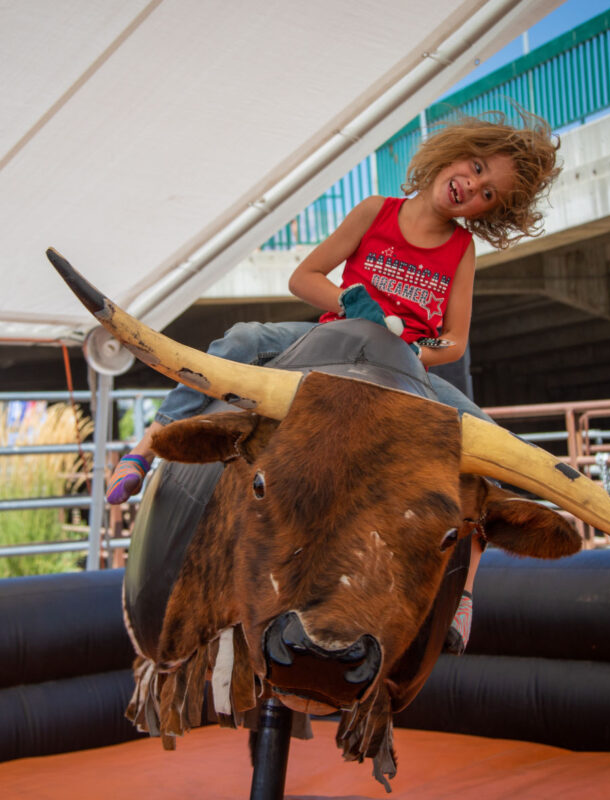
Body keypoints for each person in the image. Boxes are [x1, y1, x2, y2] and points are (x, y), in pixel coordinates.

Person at [109, 110, 560, 650]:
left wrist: (415, 348)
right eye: (478, 166)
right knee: (243, 338)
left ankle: (463, 593)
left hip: (403, 367)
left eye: (489, 194)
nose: (473, 185)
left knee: (497, 454)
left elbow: (455, 342)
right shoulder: (376, 211)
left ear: (492, 212)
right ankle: (141, 451)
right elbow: (304, 278)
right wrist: (353, 304)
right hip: (331, 340)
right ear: (455, 152)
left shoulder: (461, 250)